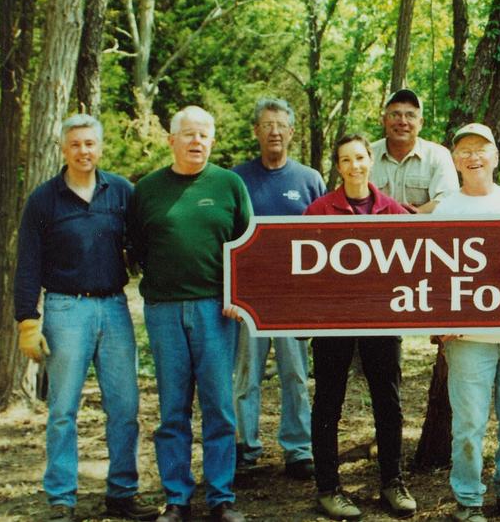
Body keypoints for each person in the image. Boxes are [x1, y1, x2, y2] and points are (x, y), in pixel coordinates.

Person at [14, 114, 159, 522]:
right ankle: (62, 497)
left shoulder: (122, 192)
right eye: (75, 144)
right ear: (64, 148)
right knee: (63, 410)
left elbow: (145, 243)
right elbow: (27, 263)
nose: (84, 151)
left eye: (90, 143)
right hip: (65, 310)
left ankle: (123, 492)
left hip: (114, 308)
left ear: (100, 146)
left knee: (125, 406)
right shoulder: (44, 199)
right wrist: (28, 319)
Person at [127, 106, 252, 522]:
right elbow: (138, 248)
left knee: (219, 407)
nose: (196, 142)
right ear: (172, 141)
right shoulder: (146, 189)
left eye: (203, 135)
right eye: (188, 135)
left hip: (216, 310)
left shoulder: (229, 185)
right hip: (163, 310)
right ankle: (177, 498)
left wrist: (236, 295)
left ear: (212, 141)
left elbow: (246, 246)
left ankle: (221, 498)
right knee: (173, 409)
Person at [435, 123, 500, 522]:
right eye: (464, 150)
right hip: (467, 339)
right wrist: (438, 319)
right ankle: (468, 500)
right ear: (455, 159)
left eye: (481, 149)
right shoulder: (446, 208)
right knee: (468, 425)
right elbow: (430, 273)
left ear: (496, 156)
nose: (473, 156)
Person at [305, 134, 417, 521]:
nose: (354, 165)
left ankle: (392, 482)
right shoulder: (319, 210)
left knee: (389, 403)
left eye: (360, 158)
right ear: (338, 167)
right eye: (346, 160)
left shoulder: (393, 211)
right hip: (333, 323)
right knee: (328, 403)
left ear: (371, 161)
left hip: (381, 321)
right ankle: (328, 488)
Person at [231, 98, 325, 479]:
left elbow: (324, 238)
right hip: (249, 295)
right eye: (266, 124)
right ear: (256, 131)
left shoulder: (309, 179)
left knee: (295, 375)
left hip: (294, 297)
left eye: (280, 125)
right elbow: (227, 237)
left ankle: (298, 449)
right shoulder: (236, 179)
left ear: (290, 132)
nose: (273, 131)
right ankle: (244, 447)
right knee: (245, 376)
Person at [369, 88, 458, 213]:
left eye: (410, 115)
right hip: (374, 230)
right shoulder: (366, 155)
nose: (403, 122)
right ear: (384, 121)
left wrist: (415, 217)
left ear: (420, 123)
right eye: (395, 115)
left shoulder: (438, 155)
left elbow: (449, 200)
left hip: (424, 230)